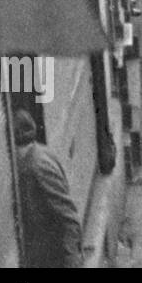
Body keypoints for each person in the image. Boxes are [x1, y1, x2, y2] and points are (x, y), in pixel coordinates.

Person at [13, 109, 84, 268]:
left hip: (55, 256)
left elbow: (69, 216)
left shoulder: (37, 167)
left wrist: (72, 261)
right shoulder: (39, 152)